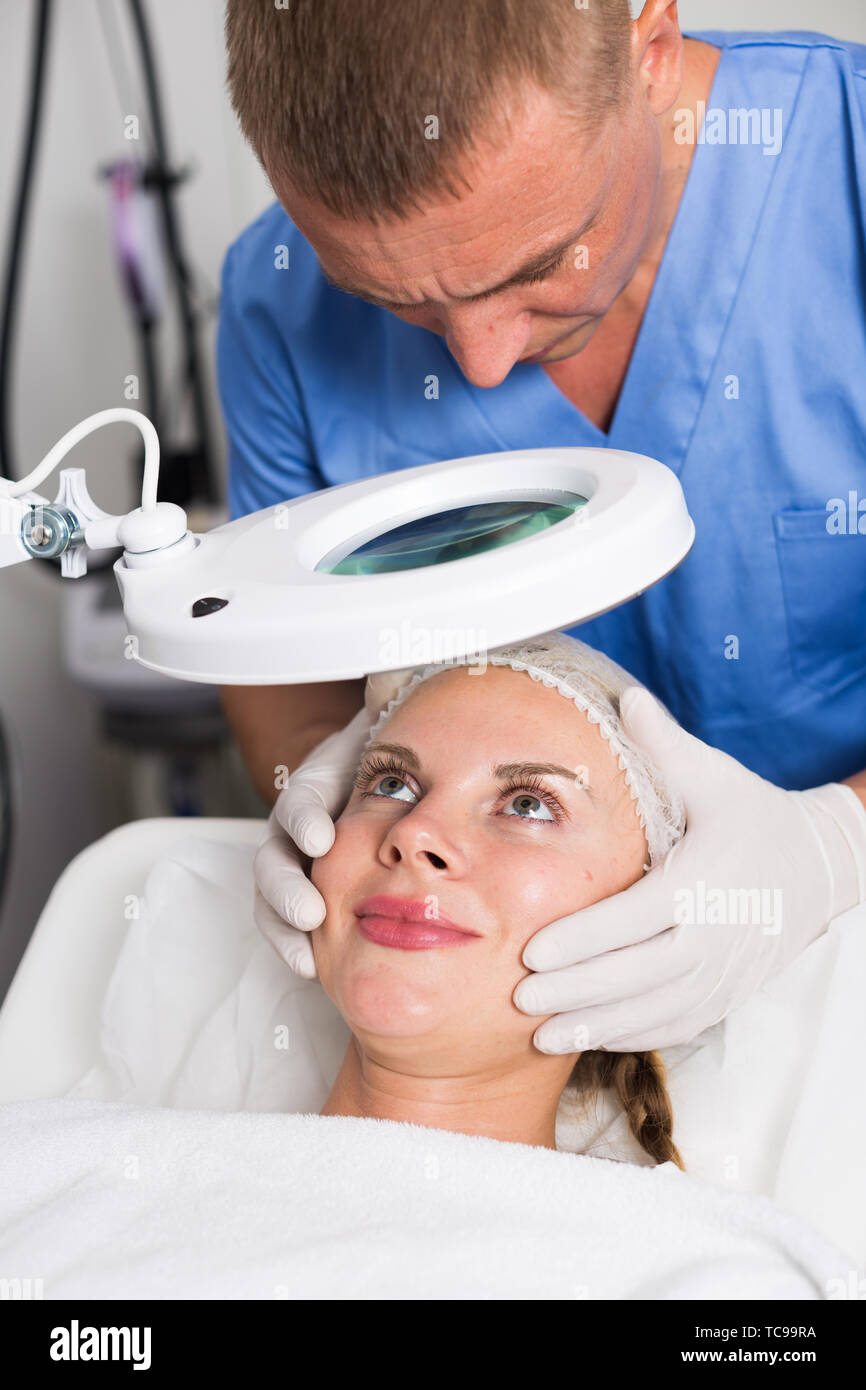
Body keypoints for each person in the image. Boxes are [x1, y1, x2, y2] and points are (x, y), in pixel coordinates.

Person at [217, 1, 866, 1052]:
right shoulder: (277, 302)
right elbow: (282, 679)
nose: (479, 360)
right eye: (401, 305)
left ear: (645, 47)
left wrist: (836, 846)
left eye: (538, 264)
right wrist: (328, 788)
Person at [310, 631, 685, 1164]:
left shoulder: (692, 1247)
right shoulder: (154, 1169)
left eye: (529, 804)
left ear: (646, 916)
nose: (415, 834)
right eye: (391, 783)